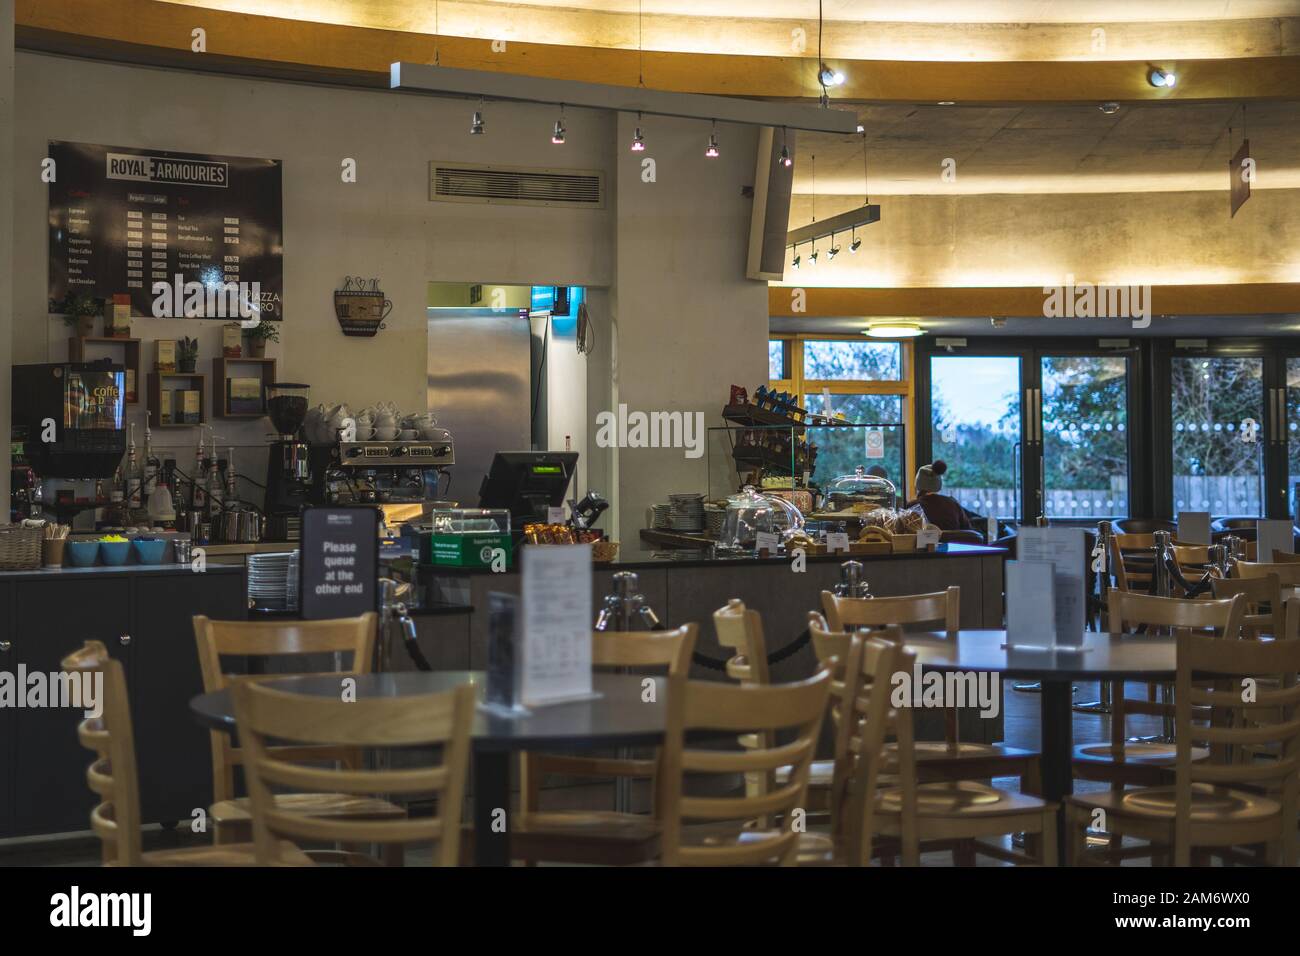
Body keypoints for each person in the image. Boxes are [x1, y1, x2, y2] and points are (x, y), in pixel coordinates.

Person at [908, 460, 972, 531]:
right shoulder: (952, 504)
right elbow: (969, 531)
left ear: (918, 485)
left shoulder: (912, 507)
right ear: (938, 485)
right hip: (953, 542)